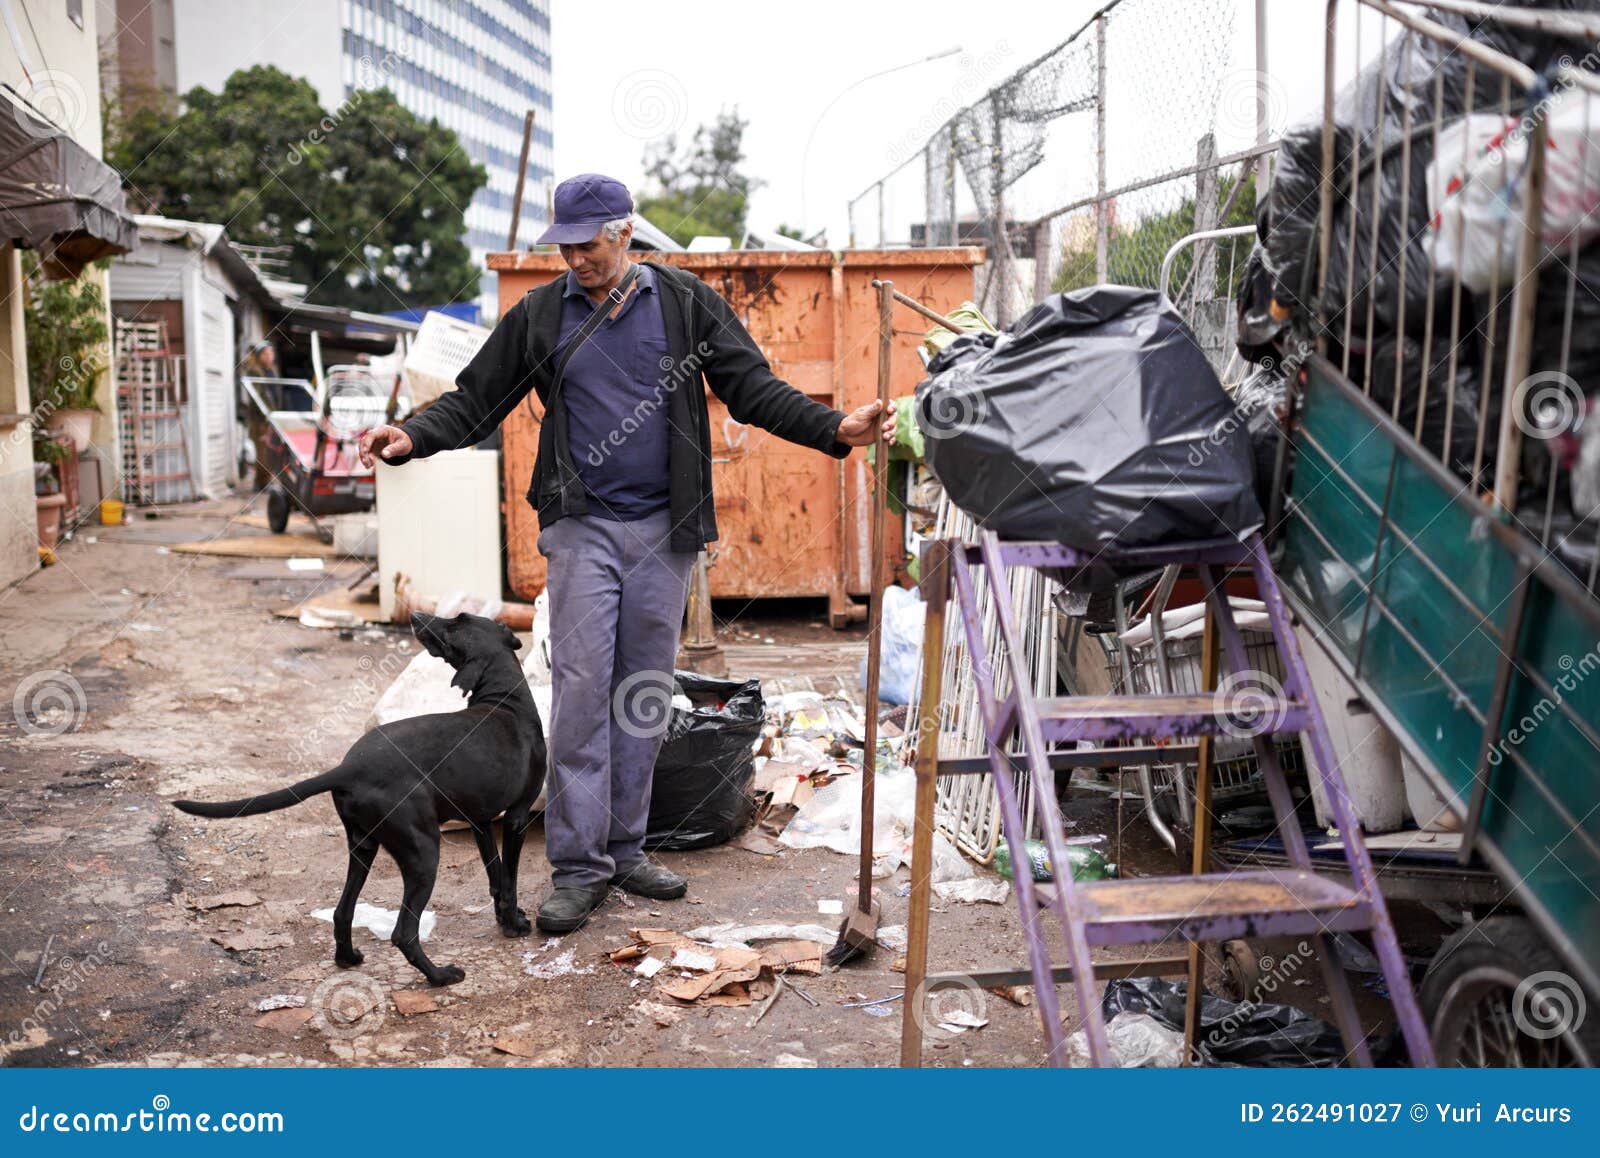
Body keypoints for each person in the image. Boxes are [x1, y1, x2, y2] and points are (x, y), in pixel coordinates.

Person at [359, 173, 895, 933]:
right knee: (582, 695)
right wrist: (412, 437)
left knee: (641, 695)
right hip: (581, 530)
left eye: (588, 244)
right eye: (566, 247)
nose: (576, 258)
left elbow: (752, 389)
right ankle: (578, 870)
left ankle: (626, 847)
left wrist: (834, 427)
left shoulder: (683, 305)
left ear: (624, 232)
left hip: (663, 532)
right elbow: (476, 398)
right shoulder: (541, 314)